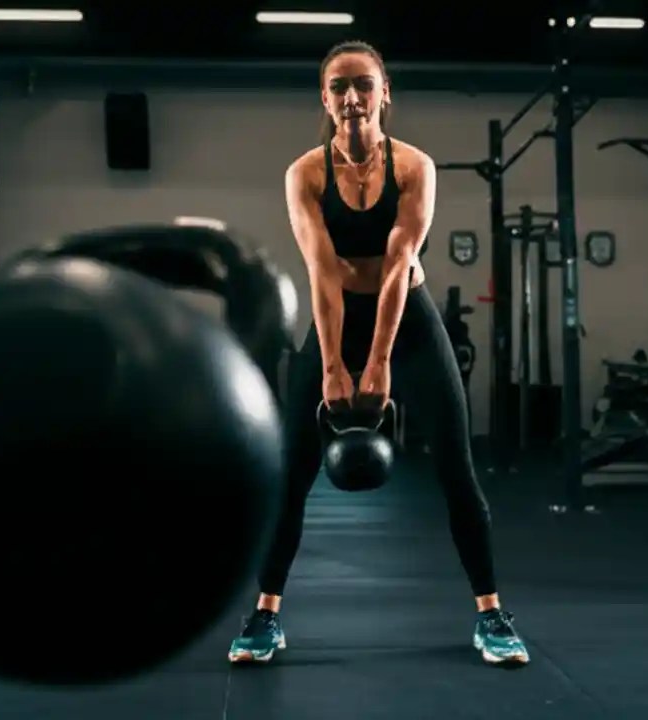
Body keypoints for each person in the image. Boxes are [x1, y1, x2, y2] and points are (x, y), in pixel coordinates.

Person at [227, 40, 529, 667]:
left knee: (457, 469)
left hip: (408, 319)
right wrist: (334, 363)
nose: (352, 98)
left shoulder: (415, 167)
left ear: (384, 92)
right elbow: (320, 270)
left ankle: (492, 613)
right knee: (292, 476)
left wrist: (380, 361)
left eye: (363, 84)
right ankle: (264, 616)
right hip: (334, 313)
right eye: (338, 87)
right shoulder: (305, 173)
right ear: (325, 98)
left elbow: (398, 265)